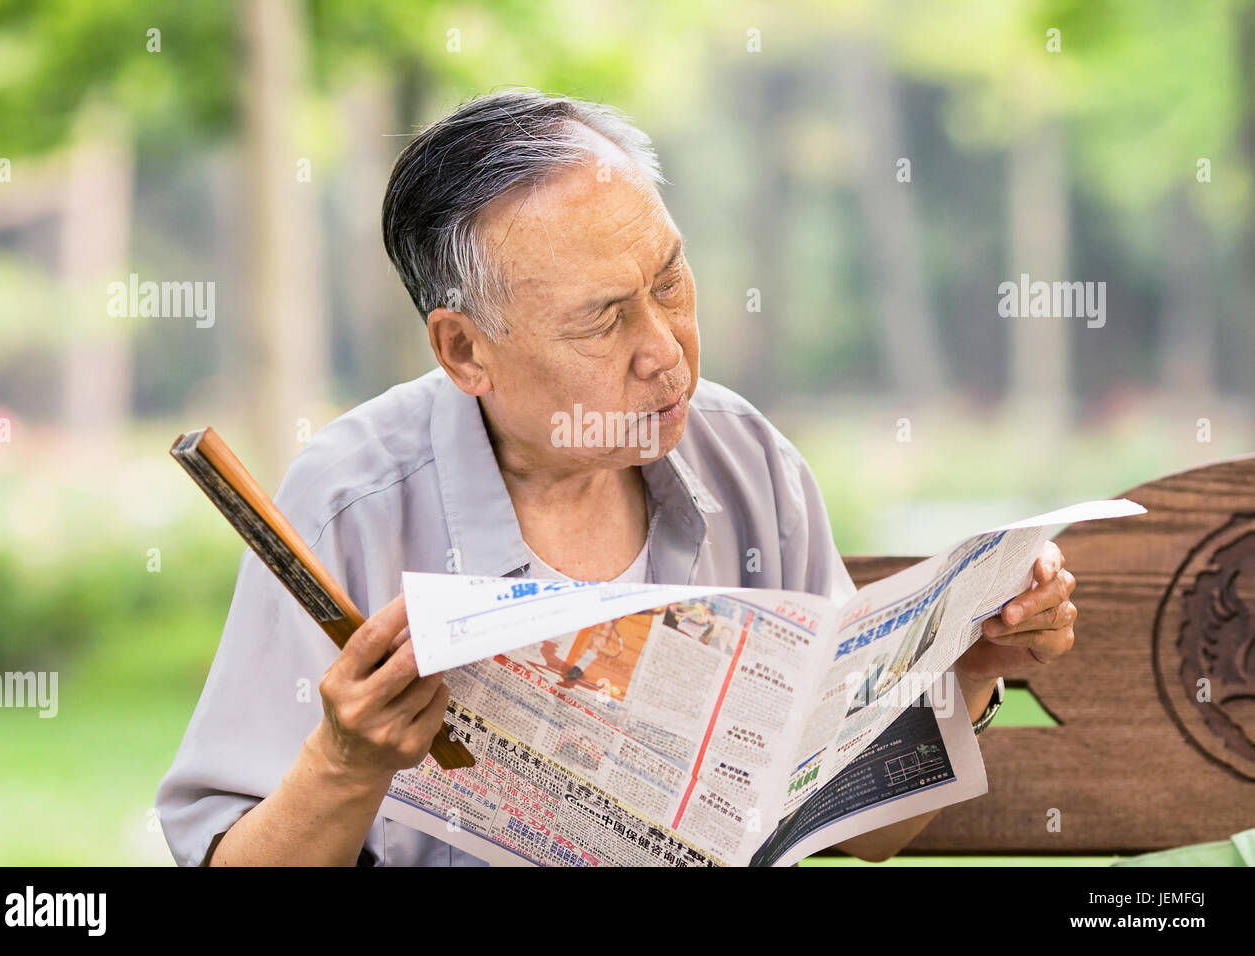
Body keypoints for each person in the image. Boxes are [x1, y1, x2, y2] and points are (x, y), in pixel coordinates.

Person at [155, 88, 1078, 867]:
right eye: (603, 322)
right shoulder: (352, 503)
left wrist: (968, 669)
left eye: (671, 283)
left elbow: (853, 837)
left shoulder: (744, 459)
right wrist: (347, 762)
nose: (665, 351)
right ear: (465, 350)